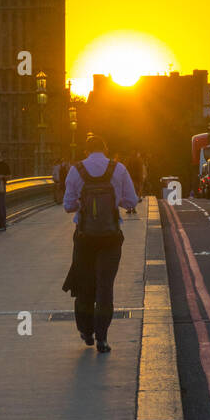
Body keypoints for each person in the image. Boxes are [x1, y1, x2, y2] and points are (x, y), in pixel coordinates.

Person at [63, 134, 138, 353]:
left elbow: (68, 206)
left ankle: (86, 331)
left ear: (86, 150)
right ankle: (102, 338)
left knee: (85, 285)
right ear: (105, 149)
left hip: (85, 237)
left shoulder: (76, 170)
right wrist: (114, 202)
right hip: (111, 238)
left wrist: (84, 203)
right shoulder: (119, 169)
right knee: (105, 287)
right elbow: (132, 201)